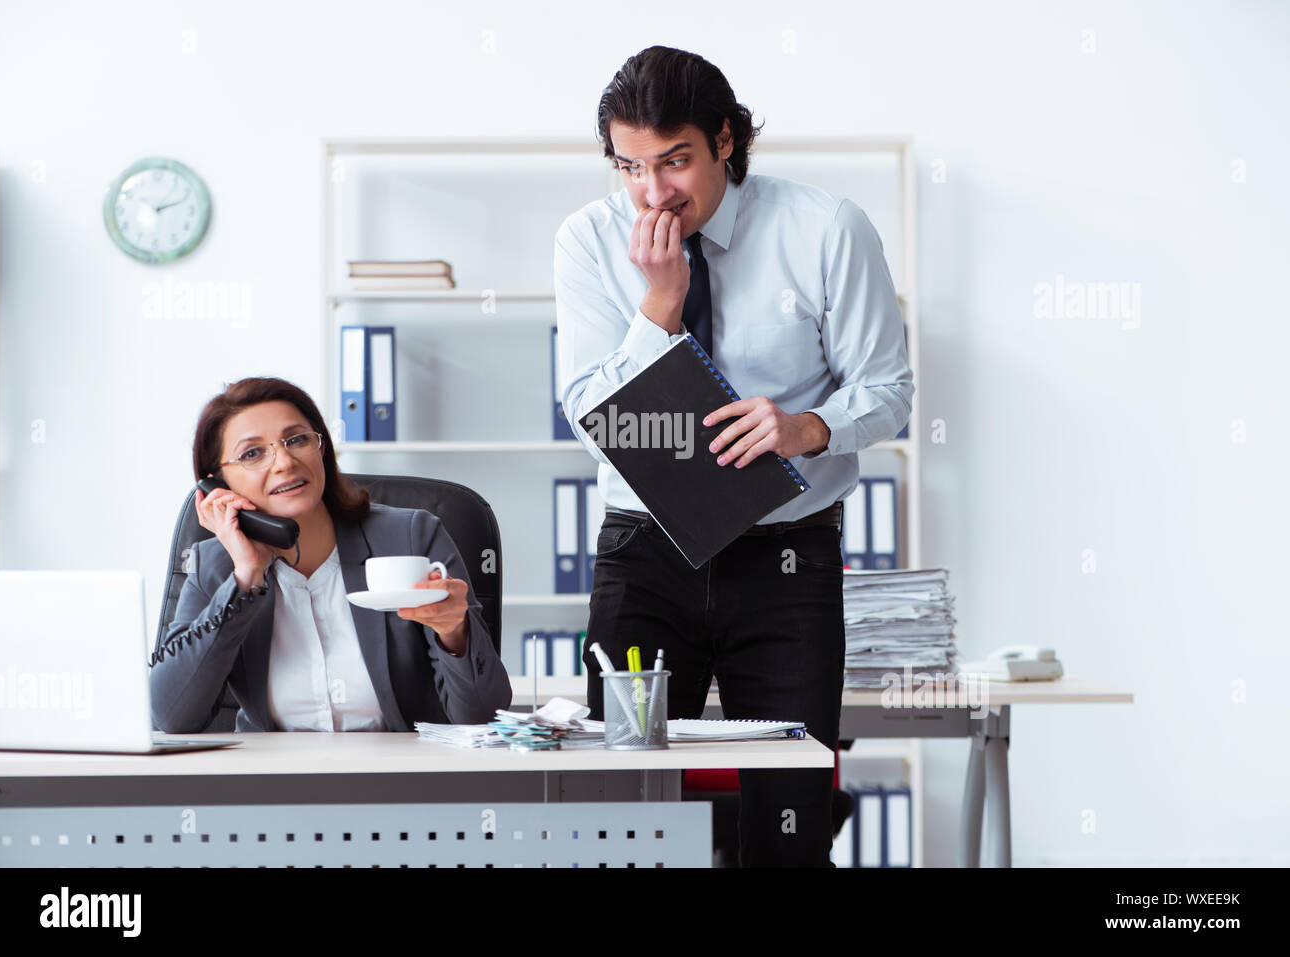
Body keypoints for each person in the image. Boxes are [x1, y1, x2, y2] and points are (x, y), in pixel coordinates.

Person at [554, 46, 913, 866]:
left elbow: (889, 389)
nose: (653, 192)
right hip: (645, 553)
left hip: (786, 558)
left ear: (726, 139)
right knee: (619, 818)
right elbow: (586, 412)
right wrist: (658, 307)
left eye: (675, 161)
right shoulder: (588, 239)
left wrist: (807, 428)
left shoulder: (825, 229)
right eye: (631, 167)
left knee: (790, 825)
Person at [150, 376, 511, 733]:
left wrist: (454, 631)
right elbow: (172, 717)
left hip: (402, 779)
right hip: (271, 784)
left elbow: (481, 716)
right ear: (219, 486)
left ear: (321, 448)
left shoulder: (412, 537)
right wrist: (246, 576)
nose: (284, 462)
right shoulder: (213, 566)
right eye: (252, 453)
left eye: (297, 439)